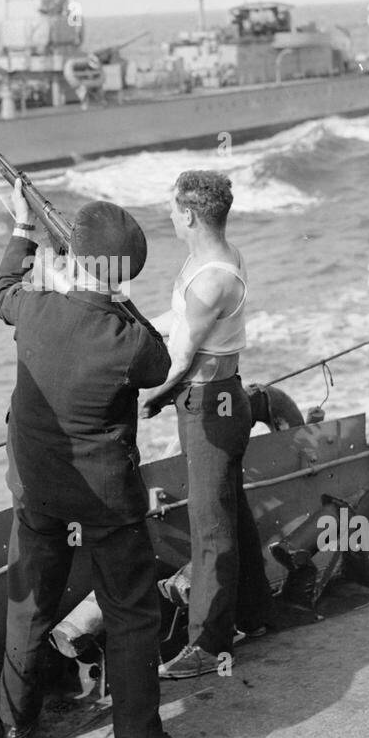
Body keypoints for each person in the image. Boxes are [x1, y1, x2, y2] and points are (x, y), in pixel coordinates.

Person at [0, 181, 192, 738]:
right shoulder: (127, 340)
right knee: (131, 615)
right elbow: (158, 359)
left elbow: (5, 288)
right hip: (107, 498)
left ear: (74, 256)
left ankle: (15, 732)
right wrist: (110, 291)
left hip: (36, 491)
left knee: (28, 608)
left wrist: (25, 230)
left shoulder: (33, 306)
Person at [141, 170, 273, 679]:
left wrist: (150, 399)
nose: (170, 216)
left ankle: (207, 645)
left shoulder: (214, 277)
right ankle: (257, 613)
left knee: (209, 526)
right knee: (230, 511)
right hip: (220, 398)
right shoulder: (216, 256)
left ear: (191, 215)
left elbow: (181, 359)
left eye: (175, 209)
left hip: (210, 408)